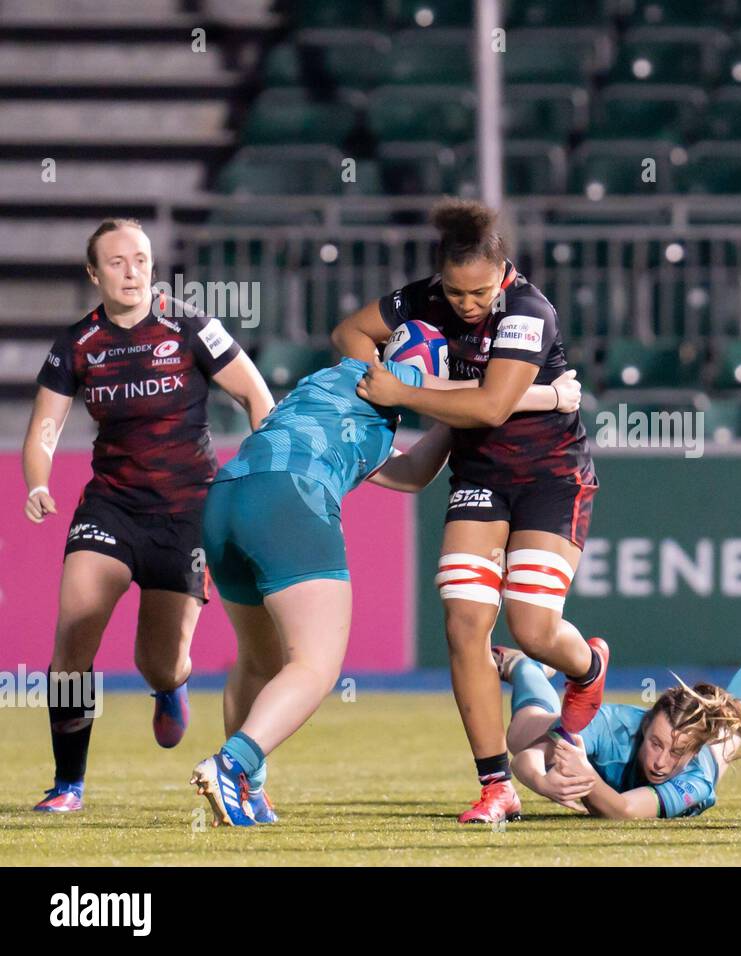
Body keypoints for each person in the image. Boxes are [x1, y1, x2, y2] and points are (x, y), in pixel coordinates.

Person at [191, 332, 582, 826]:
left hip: (226, 496)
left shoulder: (334, 385)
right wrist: (554, 395)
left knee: (257, 661)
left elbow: (412, 473)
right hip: (291, 497)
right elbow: (491, 402)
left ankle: (250, 791)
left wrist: (450, 419)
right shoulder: (394, 379)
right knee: (313, 666)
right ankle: (233, 765)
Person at [331, 199, 605, 824]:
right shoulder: (425, 297)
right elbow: (348, 332)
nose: (467, 305)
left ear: (503, 271)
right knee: (464, 623)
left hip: (550, 475)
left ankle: (588, 668)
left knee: (532, 630)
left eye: (479, 292)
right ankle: (495, 785)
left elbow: (490, 407)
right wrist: (377, 367)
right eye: (455, 293)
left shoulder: (528, 311)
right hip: (478, 474)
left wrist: (402, 390)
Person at [25, 218, 273, 812]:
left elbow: (256, 395)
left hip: (187, 514)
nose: (131, 270)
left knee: (158, 663)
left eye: (140, 259)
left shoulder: (189, 325)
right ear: (94, 274)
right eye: (116, 262)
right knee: (73, 637)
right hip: (110, 507)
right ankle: (68, 785)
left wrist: (267, 470)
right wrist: (37, 481)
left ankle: (170, 686)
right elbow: (44, 429)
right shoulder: (77, 344)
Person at [498, 590, 741, 819]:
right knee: (520, 735)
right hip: (598, 728)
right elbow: (526, 759)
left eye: (678, 751)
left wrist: (585, 778)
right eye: (656, 743)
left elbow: (623, 811)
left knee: (736, 719)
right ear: (644, 724)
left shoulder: (696, 780)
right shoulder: (609, 725)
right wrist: (543, 783)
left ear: (694, 752)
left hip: (703, 752)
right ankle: (524, 667)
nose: (661, 761)